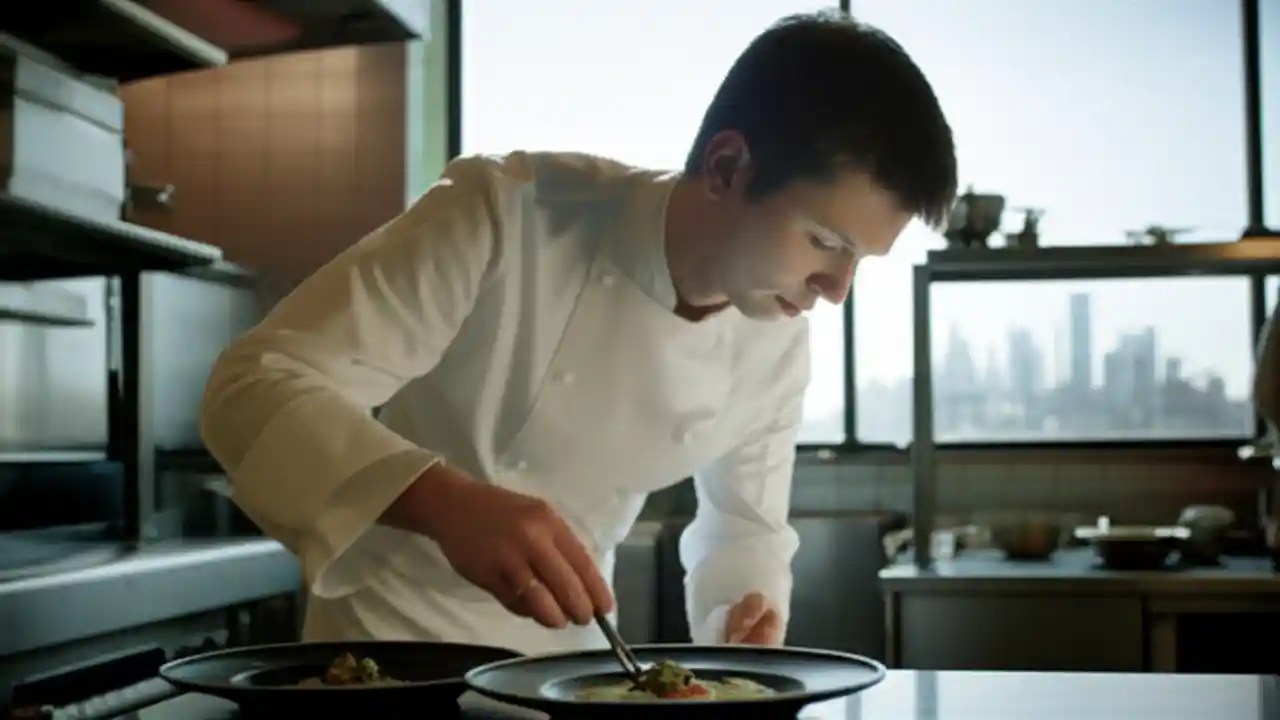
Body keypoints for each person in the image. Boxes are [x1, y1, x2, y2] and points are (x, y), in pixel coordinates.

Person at [199, 9, 956, 656]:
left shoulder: (776, 332)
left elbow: (745, 528)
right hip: (388, 653)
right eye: (825, 240)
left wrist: (742, 616)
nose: (836, 291)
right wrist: (447, 502)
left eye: (860, 259)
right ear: (727, 166)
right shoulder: (504, 214)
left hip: (576, 670)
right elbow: (254, 388)